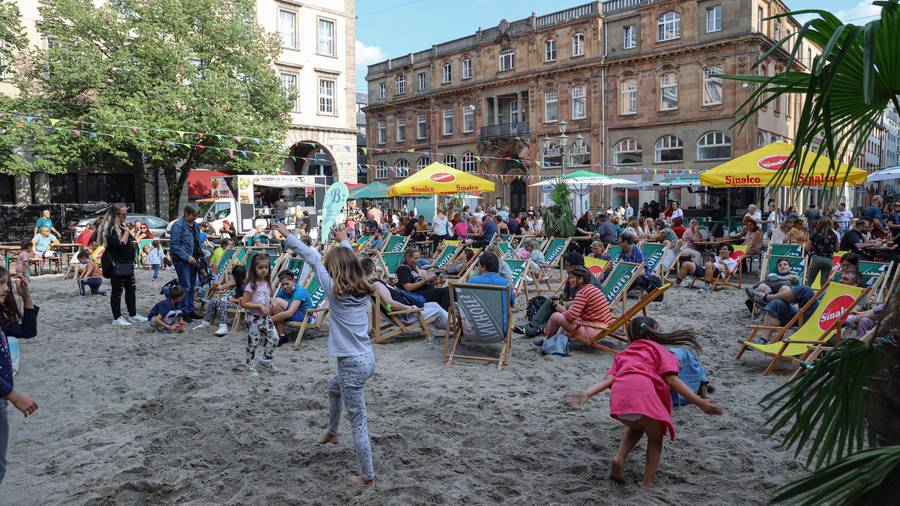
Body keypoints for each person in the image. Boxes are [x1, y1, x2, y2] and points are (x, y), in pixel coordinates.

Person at [566, 316, 721, 487]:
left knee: (637, 425)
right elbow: (672, 380)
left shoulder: (623, 354)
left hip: (621, 402)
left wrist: (586, 394)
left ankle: (619, 458)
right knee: (655, 439)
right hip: (643, 396)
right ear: (653, 334)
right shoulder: (659, 350)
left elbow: (609, 380)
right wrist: (701, 402)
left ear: (630, 337)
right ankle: (647, 482)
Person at [277, 226, 378, 487]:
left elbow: (311, 256)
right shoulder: (363, 288)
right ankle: (332, 433)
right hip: (367, 360)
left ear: (334, 269)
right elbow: (350, 260)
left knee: (358, 422)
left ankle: (367, 477)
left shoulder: (334, 289)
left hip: (352, 364)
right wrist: (342, 241)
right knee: (333, 387)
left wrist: (287, 237)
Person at [0, 268, 39, 485]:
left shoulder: (0, 318)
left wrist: (26, 297)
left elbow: (28, 331)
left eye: (7, 283)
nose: (7, 288)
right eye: (2, 283)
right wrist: (14, 396)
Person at [362, 258, 448, 331]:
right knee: (438, 310)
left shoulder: (370, 283)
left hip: (404, 312)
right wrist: (410, 308)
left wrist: (390, 285)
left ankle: (446, 325)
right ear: (373, 269)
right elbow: (390, 304)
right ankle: (449, 327)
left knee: (434, 304)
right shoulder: (377, 284)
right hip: (406, 315)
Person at [95, 204, 145, 327]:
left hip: (126, 263)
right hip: (117, 264)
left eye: (126, 214)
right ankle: (117, 318)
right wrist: (127, 232)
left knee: (130, 289)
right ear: (115, 214)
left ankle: (133, 315)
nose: (125, 217)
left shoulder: (120, 226)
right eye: (122, 214)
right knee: (117, 291)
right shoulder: (110, 228)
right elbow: (118, 245)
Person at [542, 266, 613, 341]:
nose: (569, 280)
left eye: (572, 278)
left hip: (593, 330)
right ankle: (554, 337)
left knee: (555, 316)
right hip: (603, 327)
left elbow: (571, 317)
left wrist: (561, 309)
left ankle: (547, 340)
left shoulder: (582, 293)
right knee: (570, 310)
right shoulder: (592, 288)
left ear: (581, 279)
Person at [239, 253, 278, 376]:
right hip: (253, 318)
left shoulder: (267, 282)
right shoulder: (251, 285)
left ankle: (266, 359)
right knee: (253, 343)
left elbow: (268, 295)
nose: (264, 270)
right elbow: (243, 303)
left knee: (274, 338)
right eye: (260, 268)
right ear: (254, 269)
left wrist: (272, 300)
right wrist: (259, 306)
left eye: (266, 267)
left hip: (265, 318)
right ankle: (250, 364)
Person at [169, 203, 204, 322]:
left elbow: (197, 240)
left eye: (196, 216)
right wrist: (187, 256)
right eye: (193, 215)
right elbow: (174, 246)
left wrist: (201, 249)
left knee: (192, 286)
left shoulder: (195, 225)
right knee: (186, 286)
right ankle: (184, 312)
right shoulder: (177, 226)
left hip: (194, 259)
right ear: (186, 213)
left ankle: (190, 309)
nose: (195, 218)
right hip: (182, 261)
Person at [195, 264, 246, 337]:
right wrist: (221, 288)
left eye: (233, 275)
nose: (232, 277)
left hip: (240, 306)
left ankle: (223, 326)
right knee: (213, 301)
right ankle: (206, 322)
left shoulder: (243, 286)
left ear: (236, 276)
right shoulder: (238, 283)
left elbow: (245, 300)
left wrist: (233, 299)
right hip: (234, 303)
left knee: (223, 303)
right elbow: (227, 285)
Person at [468, 253, 515, 325]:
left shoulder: (472, 281)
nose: (478, 268)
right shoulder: (506, 284)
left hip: (474, 327)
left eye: (478, 266)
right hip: (498, 328)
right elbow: (511, 302)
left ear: (483, 267)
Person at [269, 270, 313, 340]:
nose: (285, 287)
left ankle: (265, 326)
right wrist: (273, 301)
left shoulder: (300, 291)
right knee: (275, 307)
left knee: (277, 302)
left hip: (304, 317)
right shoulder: (284, 290)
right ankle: (281, 336)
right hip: (294, 314)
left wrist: (269, 320)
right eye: (282, 285)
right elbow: (273, 300)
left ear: (294, 281)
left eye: (287, 283)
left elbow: (290, 313)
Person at [807, 216, 838, 287]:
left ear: (819, 224)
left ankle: (808, 296)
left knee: (810, 280)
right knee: (824, 282)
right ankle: (822, 296)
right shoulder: (834, 235)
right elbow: (837, 249)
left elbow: (807, 248)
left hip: (816, 258)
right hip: (828, 260)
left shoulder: (814, 234)